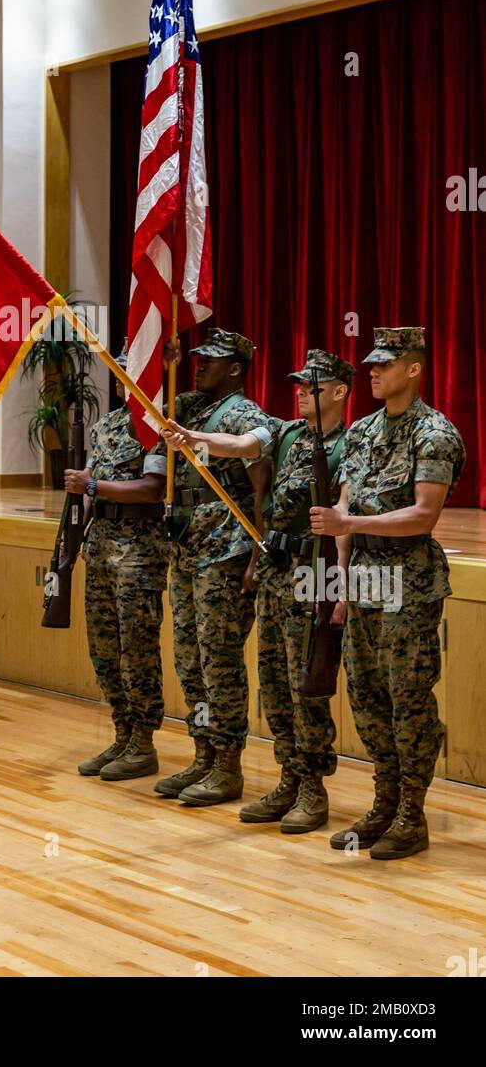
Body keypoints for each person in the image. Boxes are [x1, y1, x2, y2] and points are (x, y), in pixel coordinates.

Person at [310, 327, 465, 860]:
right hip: (364, 581)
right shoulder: (361, 432)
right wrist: (339, 584)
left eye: (385, 364)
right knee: (369, 701)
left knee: (409, 701)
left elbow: (423, 516)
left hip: (409, 584)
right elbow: (344, 517)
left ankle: (411, 814)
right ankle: (384, 802)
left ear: (415, 369)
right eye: (370, 365)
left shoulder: (434, 433)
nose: (372, 372)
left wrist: (347, 519)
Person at [237, 349, 355, 833]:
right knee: (274, 681)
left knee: (307, 683)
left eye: (313, 385)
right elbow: (240, 448)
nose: (302, 392)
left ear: (340, 392)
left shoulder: (350, 444)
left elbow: (344, 521)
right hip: (278, 571)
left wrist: (340, 584)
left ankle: (313, 788)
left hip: (315, 571)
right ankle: (288, 777)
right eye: (300, 384)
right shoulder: (287, 434)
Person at [155, 329, 275, 806]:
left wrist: (256, 553)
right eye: (198, 357)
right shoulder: (187, 405)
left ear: (236, 369)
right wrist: (159, 362)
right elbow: (144, 405)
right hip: (188, 545)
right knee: (189, 658)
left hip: (226, 549)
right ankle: (203, 753)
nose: (200, 364)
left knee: (218, 658)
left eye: (212, 360)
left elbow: (257, 467)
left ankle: (228, 765)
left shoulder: (243, 412)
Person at [64, 342, 170, 781]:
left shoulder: (157, 428)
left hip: (139, 552)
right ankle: (122, 733)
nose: (127, 379)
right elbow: (90, 491)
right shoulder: (107, 426)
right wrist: (69, 546)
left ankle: (143, 743)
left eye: (134, 371)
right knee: (105, 649)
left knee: (137, 650)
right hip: (102, 547)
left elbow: (153, 488)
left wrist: (93, 486)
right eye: (122, 372)